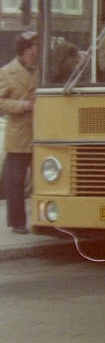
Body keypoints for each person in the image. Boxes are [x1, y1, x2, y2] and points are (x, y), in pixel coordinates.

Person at [0, 31, 38, 234]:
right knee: (15, 181)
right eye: (35, 46)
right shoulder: (7, 72)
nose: (38, 49)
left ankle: (44, 217)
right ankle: (17, 222)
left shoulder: (43, 71)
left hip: (43, 133)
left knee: (44, 178)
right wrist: (21, 105)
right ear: (26, 50)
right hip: (20, 135)